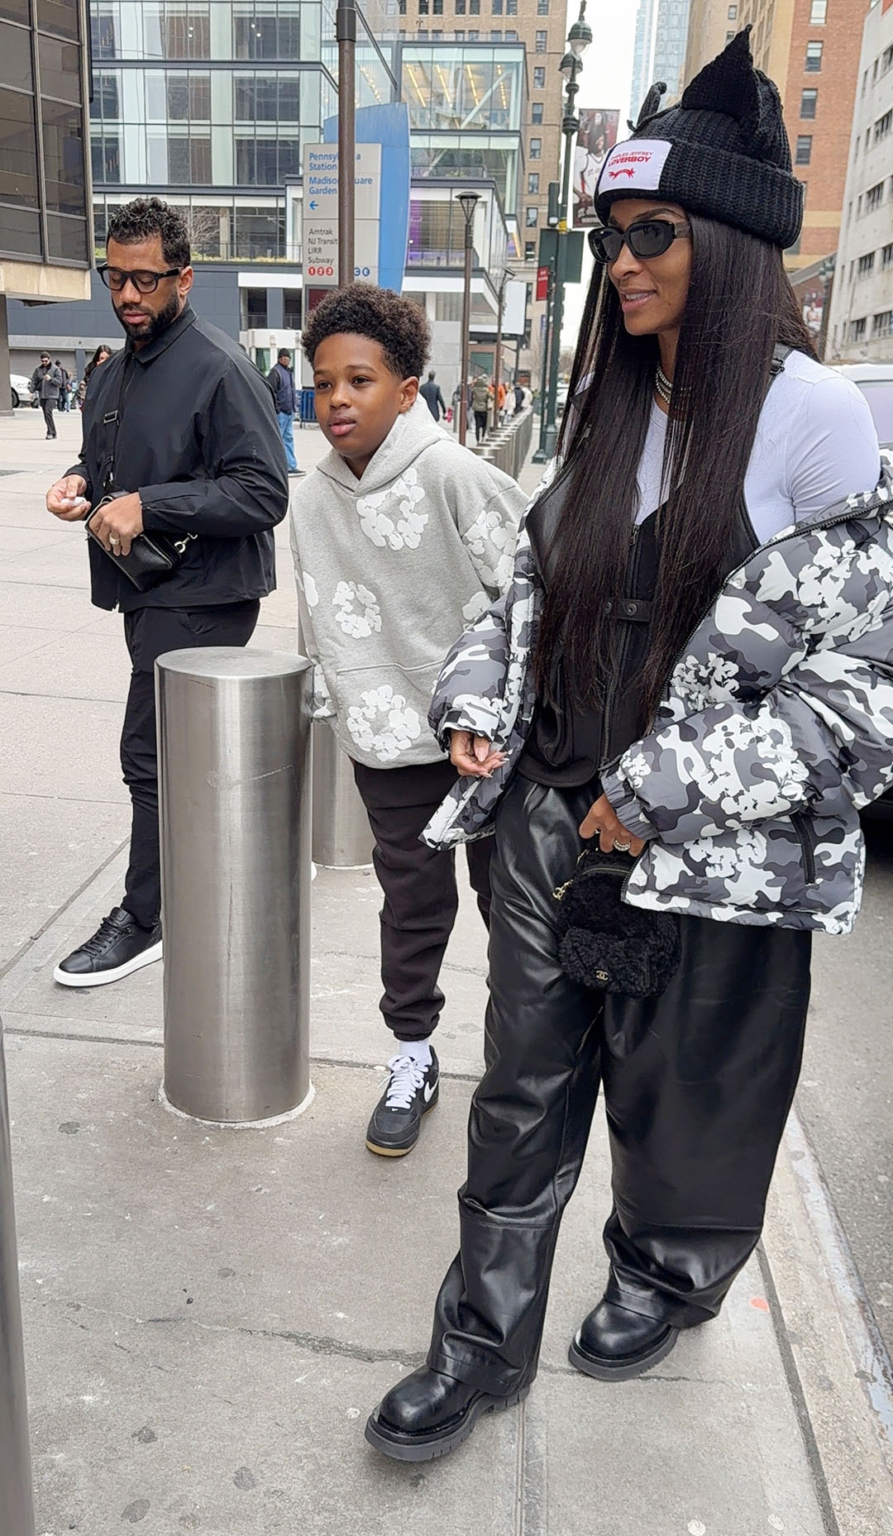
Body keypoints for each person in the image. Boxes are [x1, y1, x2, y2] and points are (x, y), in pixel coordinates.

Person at [365, 29, 889, 1461]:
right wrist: (481, 703)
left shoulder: (813, 418)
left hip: (704, 863)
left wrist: (656, 795)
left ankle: (665, 1274)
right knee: (520, 1101)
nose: (627, 257)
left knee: (686, 1108)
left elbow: (858, 697)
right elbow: (526, 601)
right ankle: (476, 1347)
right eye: (612, 232)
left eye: (654, 230)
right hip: (546, 821)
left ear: (727, 239)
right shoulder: (605, 407)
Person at [289, 284, 527, 1157]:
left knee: (510, 902)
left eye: (359, 380)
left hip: (491, 743)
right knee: (411, 908)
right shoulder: (309, 500)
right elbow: (317, 618)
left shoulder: (457, 477)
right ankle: (413, 1055)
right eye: (322, 383)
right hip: (385, 743)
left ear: (407, 386)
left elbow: (529, 605)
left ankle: (522, 1064)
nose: (338, 399)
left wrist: (500, 716)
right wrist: (328, 702)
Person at [46, 196, 289, 988]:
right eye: (114, 277)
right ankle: (202, 893)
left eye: (145, 280)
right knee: (178, 758)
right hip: (148, 588)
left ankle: (144, 918)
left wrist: (151, 504)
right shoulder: (115, 368)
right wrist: (79, 481)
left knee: (149, 754)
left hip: (206, 591)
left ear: (183, 278)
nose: (126, 296)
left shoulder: (220, 366)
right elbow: (106, 460)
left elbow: (263, 493)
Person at [267, 348, 304, 477]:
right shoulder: (275, 372)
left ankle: (290, 466)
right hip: (280, 412)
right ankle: (275, 467)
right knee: (277, 440)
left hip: (289, 412)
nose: (286, 359)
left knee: (288, 439)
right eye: (284, 357)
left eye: (288, 357)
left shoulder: (289, 373)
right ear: (279, 358)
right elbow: (270, 391)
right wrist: (276, 409)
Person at [30, 353, 63, 438]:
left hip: (52, 395)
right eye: (42, 361)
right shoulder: (38, 370)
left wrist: (51, 379)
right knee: (45, 414)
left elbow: (60, 382)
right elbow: (34, 381)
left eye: (46, 361)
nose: (44, 362)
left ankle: (51, 432)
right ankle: (51, 431)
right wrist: (31, 391)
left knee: (48, 412)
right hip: (42, 395)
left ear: (49, 359)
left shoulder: (55, 369)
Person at [471, 375, 489, 444]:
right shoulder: (487, 390)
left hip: (476, 408)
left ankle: (477, 439)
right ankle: (483, 436)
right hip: (484, 408)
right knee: (484, 424)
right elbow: (491, 397)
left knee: (477, 425)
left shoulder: (475, 390)